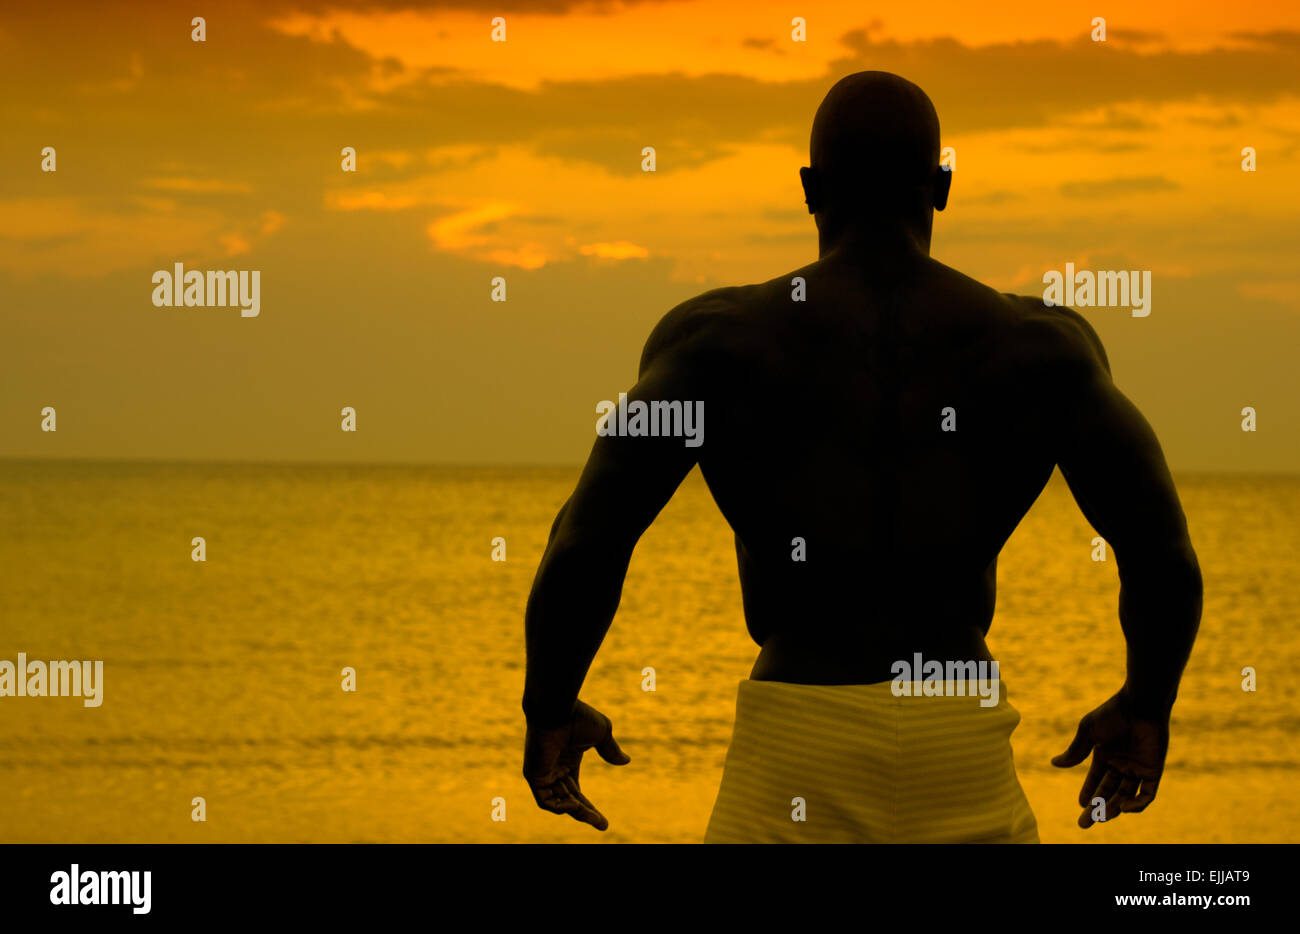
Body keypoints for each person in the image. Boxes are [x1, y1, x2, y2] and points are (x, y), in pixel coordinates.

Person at [521, 71, 1202, 841]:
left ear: (810, 188)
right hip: (959, 749)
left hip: (793, 751)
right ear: (941, 186)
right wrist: (1147, 706)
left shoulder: (716, 344)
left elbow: (588, 542)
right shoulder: (1040, 352)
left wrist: (549, 706)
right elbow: (1161, 554)